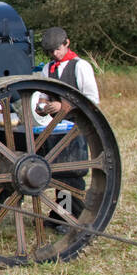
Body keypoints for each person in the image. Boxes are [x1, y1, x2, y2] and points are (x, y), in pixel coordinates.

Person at [35, 27, 100, 230]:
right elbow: (43, 95)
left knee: (74, 174)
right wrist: (44, 106)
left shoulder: (80, 67)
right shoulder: (48, 69)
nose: (55, 54)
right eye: (51, 51)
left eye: (57, 49)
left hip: (75, 127)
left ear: (67, 44)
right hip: (55, 129)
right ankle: (62, 214)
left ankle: (77, 218)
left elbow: (92, 100)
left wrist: (64, 107)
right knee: (59, 174)